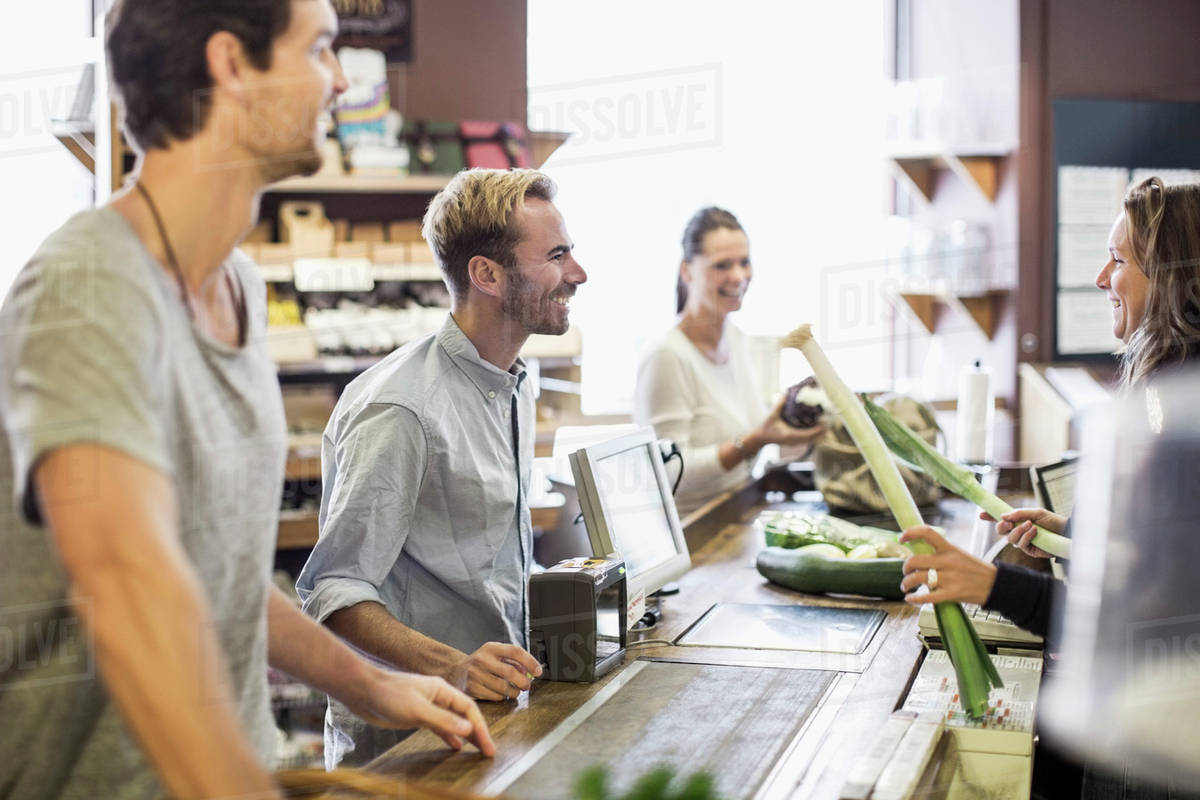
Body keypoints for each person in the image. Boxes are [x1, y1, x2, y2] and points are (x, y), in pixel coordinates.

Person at [0, 2, 494, 798]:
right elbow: (127, 583)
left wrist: (371, 685)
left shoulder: (237, 285)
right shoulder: (88, 289)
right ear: (231, 65)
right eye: (321, 50)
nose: (340, 82)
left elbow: (217, 571)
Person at [295, 167, 586, 767]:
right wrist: (452, 664)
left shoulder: (513, 385)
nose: (578, 274)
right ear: (487, 275)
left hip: (494, 715)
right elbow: (332, 590)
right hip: (407, 745)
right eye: (557, 256)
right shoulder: (401, 409)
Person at [900, 177, 1200, 636]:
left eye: (1119, 260)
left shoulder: (1178, 413)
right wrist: (1068, 534)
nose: (1101, 278)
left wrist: (989, 584)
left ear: (1171, 276)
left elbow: (1144, 619)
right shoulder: (1166, 388)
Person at [633, 207, 823, 517]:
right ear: (687, 271)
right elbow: (666, 475)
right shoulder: (667, 357)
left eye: (744, 262)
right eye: (722, 265)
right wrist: (753, 441)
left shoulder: (740, 342)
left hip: (740, 513)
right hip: (692, 533)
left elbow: (755, 441)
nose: (738, 276)